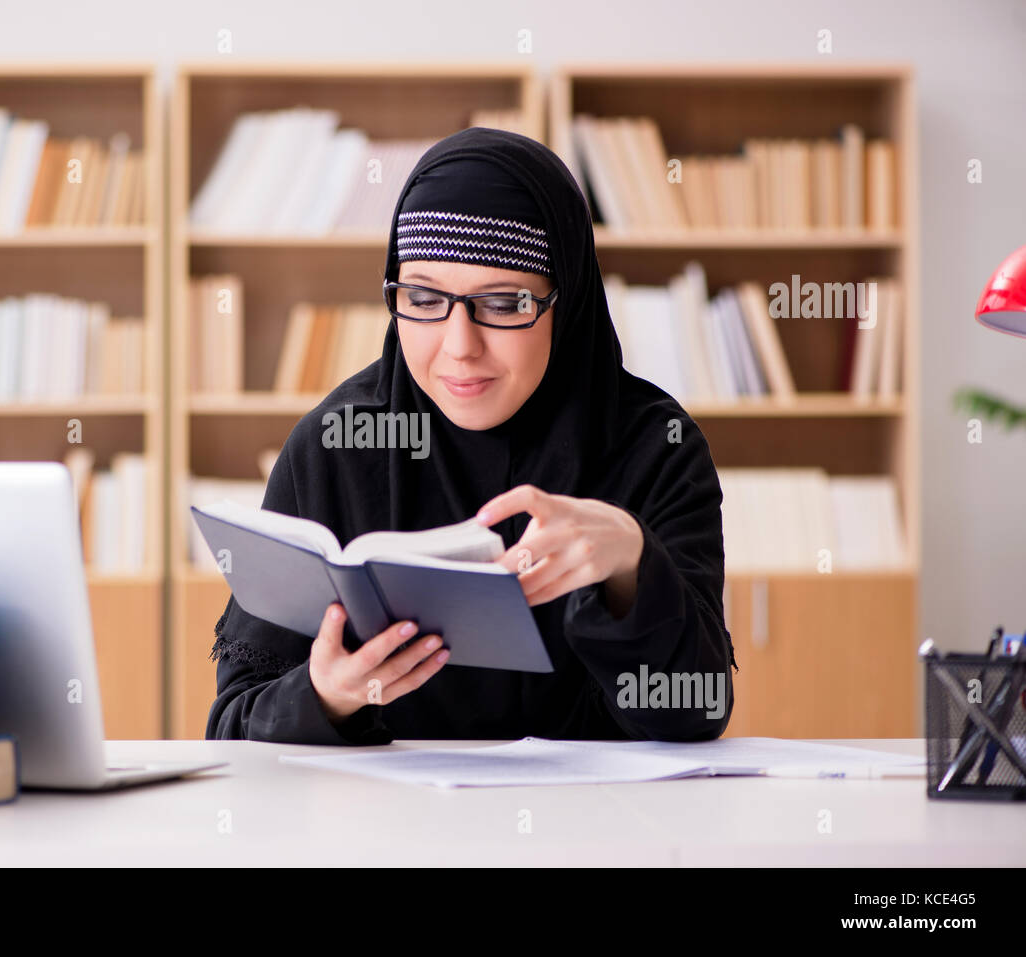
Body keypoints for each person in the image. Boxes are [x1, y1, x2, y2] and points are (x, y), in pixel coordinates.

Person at [206, 126, 737, 745]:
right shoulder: (336, 447)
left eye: (505, 303)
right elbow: (233, 725)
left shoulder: (657, 449)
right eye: (424, 298)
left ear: (566, 303)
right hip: (391, 832)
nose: (460, 347)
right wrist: (326, 697)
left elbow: (696, 712)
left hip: (601, 830)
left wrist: (630, 563)